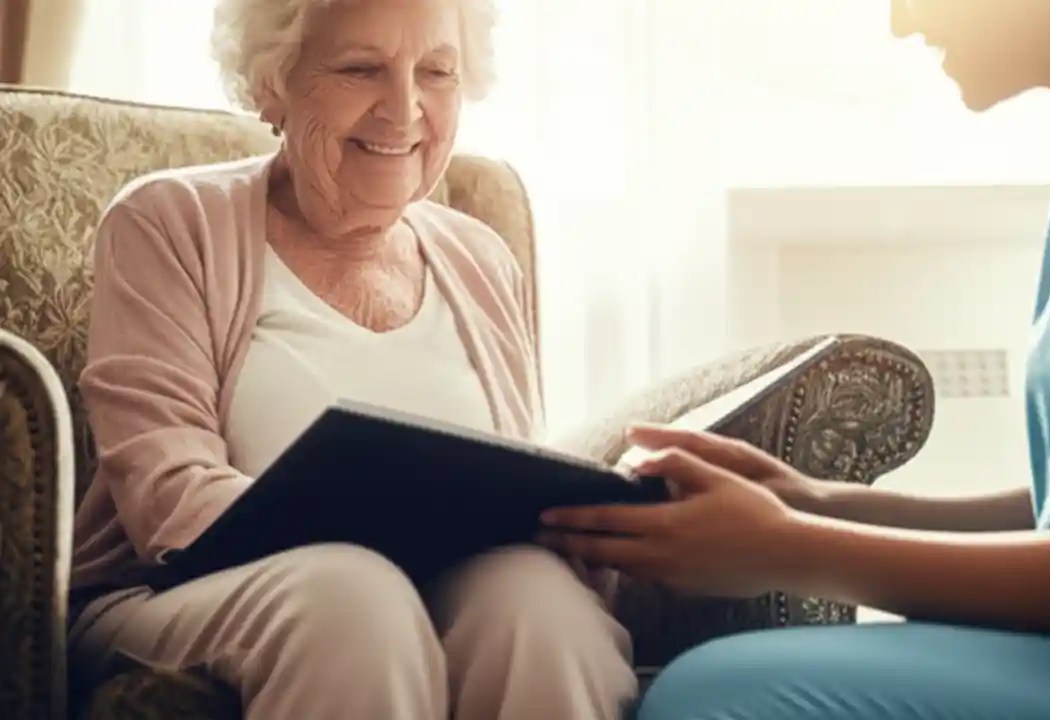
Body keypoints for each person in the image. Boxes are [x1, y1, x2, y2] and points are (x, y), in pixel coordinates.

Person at [538, 1, 1050, 717]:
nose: (901, 20)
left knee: (718, 699)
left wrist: (789, 549)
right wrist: (814, 502)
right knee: (705, 686)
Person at [66, 1, 637, 718]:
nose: (403, 110)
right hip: (179, 594)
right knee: (356, 599)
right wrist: (394, 540)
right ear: (274, 84)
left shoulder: (481, 259)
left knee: (539, 605)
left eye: (436, 71)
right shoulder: (166, 224)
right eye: (360, 69)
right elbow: (167, 501)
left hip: (429, 586)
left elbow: (509, 484)